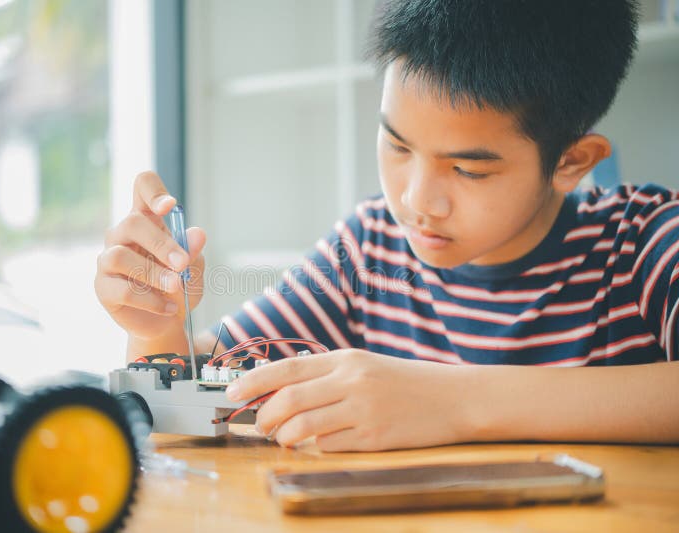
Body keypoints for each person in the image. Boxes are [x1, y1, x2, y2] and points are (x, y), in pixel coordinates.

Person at [95, 0, 679, 451]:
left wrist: (451, 402)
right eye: (398, 145)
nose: (417, 200)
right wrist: (157, 328)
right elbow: (197, 396)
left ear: (572, 162)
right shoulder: (367, 250)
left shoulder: (643, 241)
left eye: (469, 169)